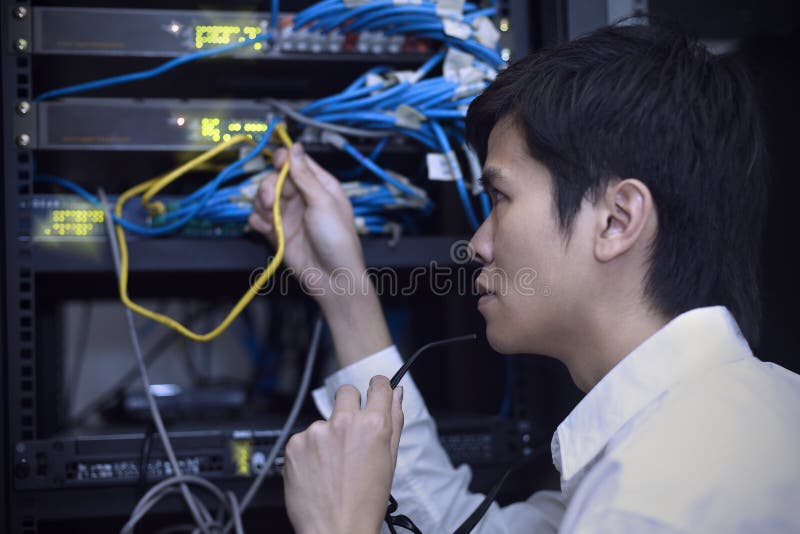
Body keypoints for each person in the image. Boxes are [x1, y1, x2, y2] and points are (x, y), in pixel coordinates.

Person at [248, 22, 800, 534]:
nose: (477, 244)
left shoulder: (646, 502)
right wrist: (341, 288)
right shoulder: (737, 423)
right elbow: (457, 526)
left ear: (616, 220)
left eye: (500, 198)